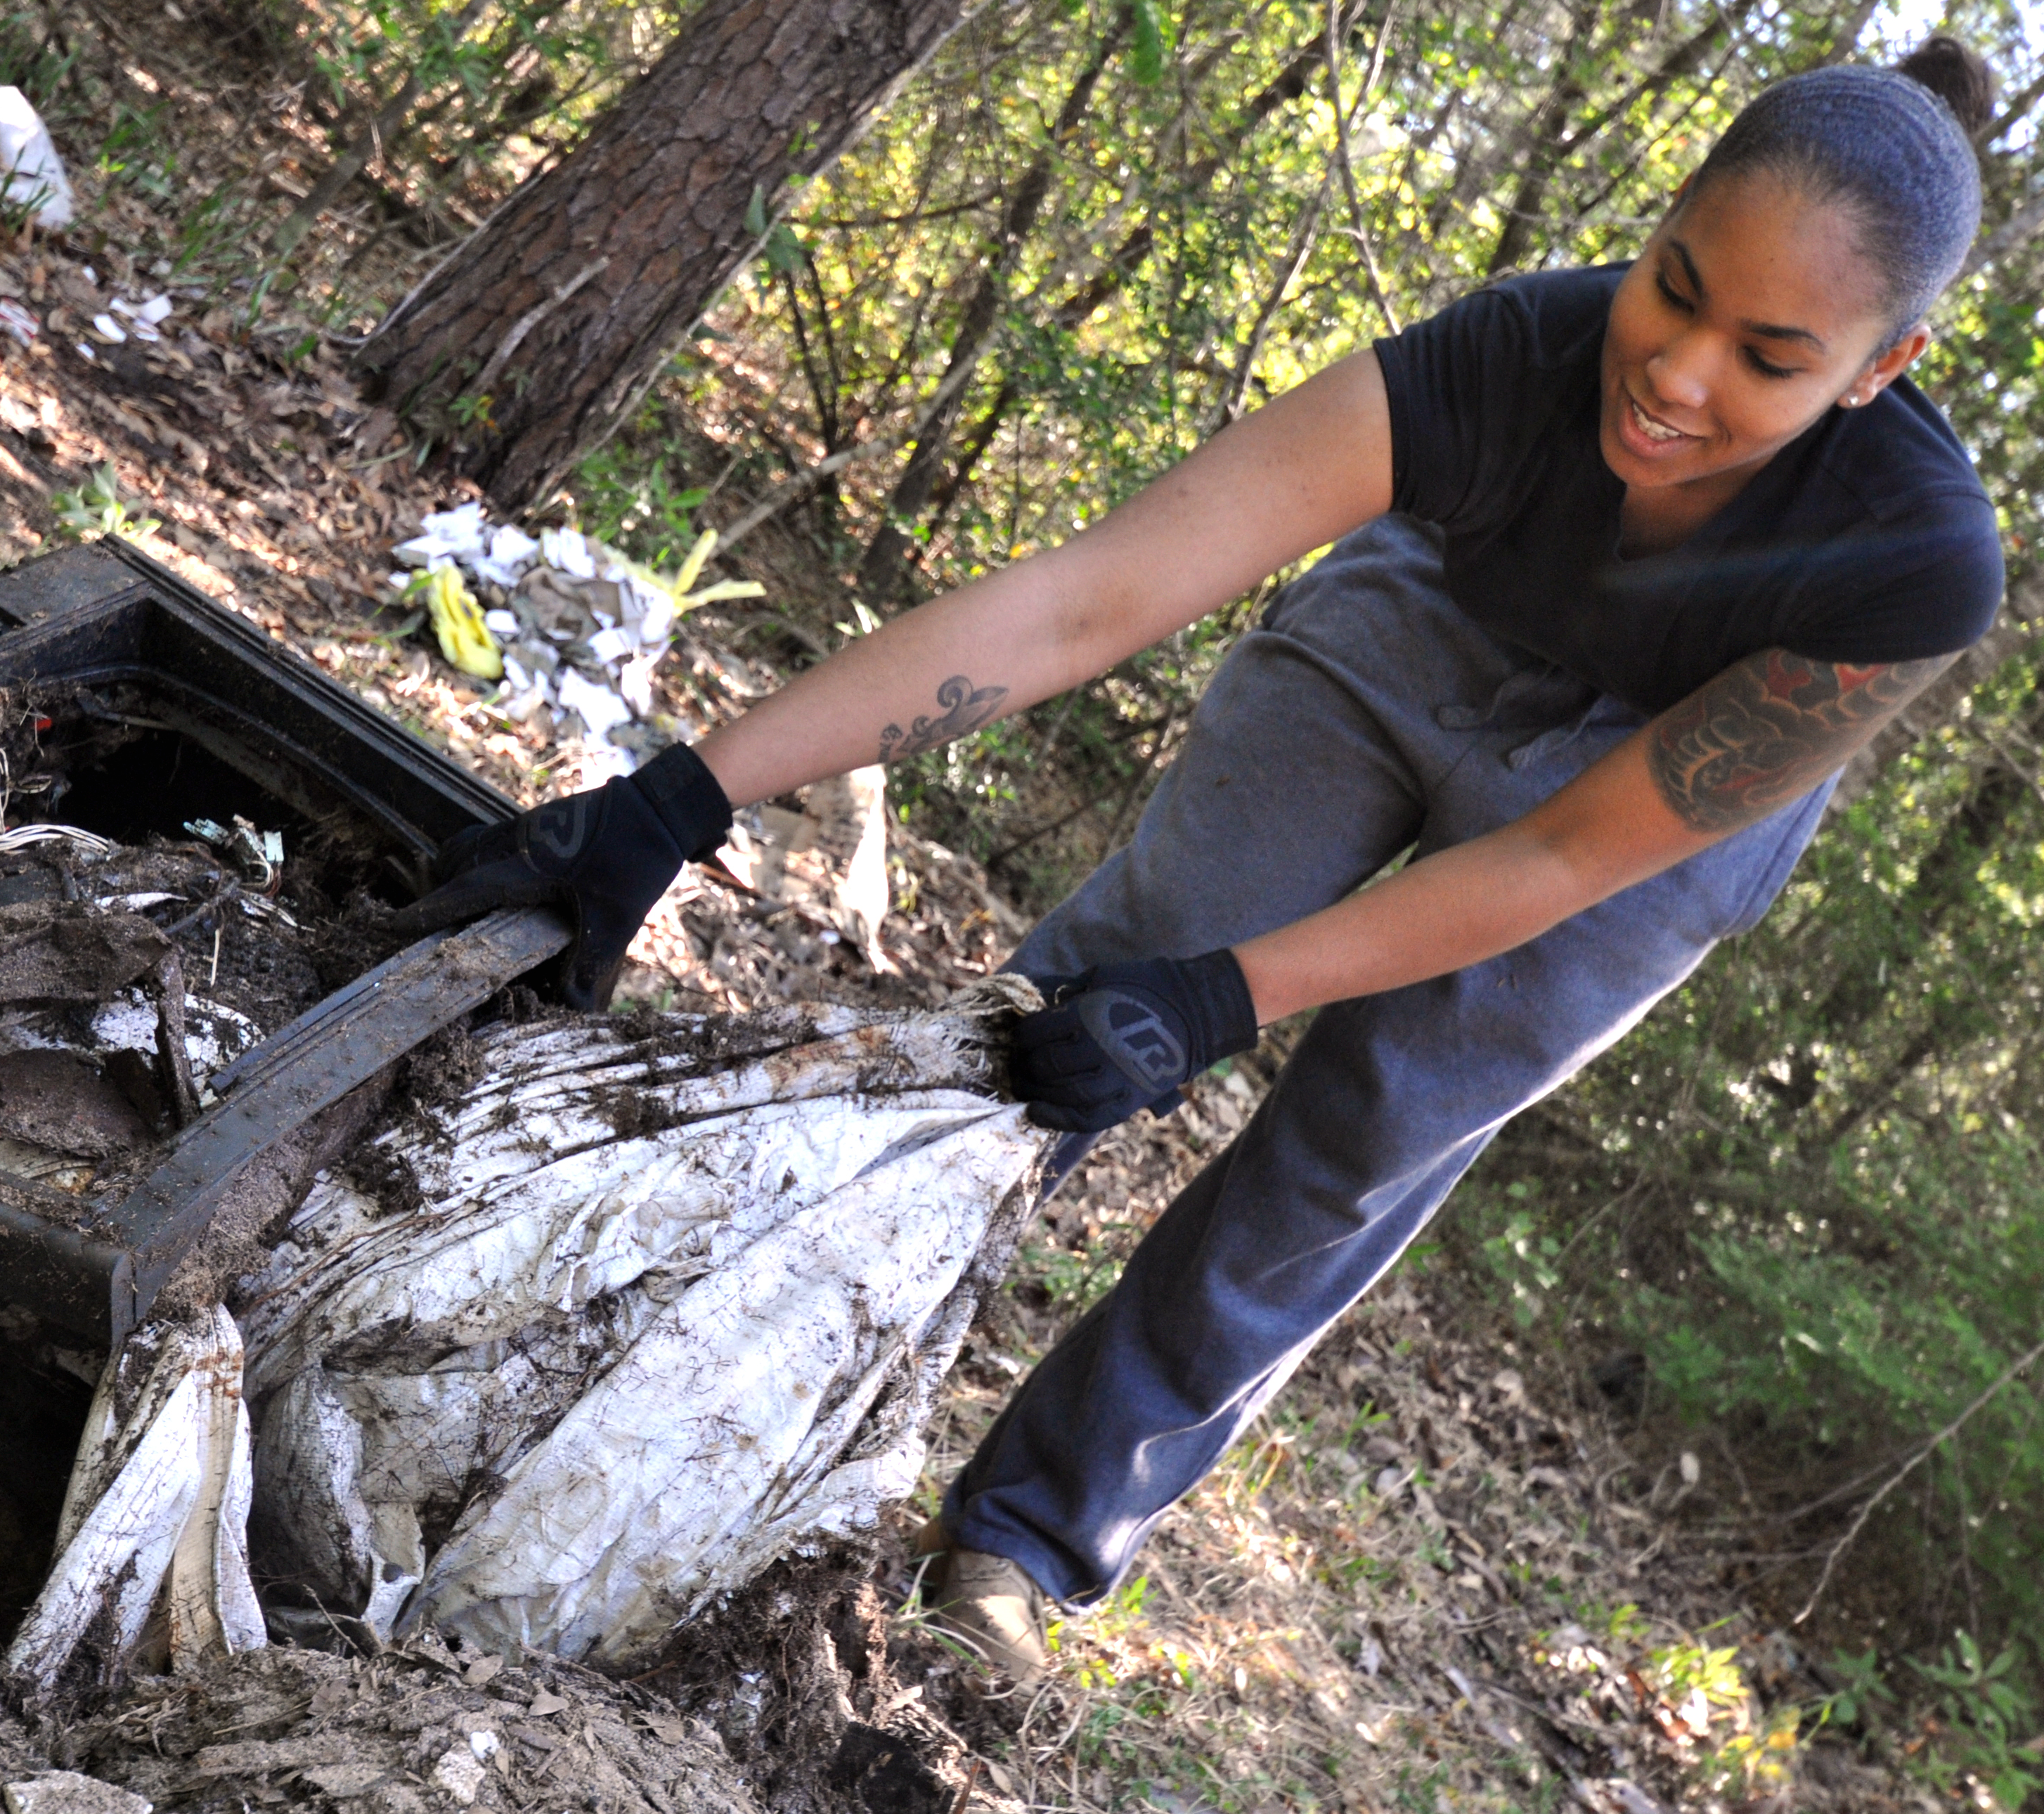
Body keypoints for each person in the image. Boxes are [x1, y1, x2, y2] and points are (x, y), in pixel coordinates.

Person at [401, 40, 2006, 1675]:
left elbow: (1552, 864)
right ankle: (747, 1328)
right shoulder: (1511, 353)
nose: (1673, 372)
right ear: (1655, 224)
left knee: (1358, 1144)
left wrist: (1225, 1005)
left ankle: (1021, 1544)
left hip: (1649, 791)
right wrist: (679, 796)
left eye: (1769, 358)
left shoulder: (1915, 568)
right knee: (1128, 956)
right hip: (1437, 613)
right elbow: (1085, 598)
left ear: (1879, 373)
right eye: (1671, 289)